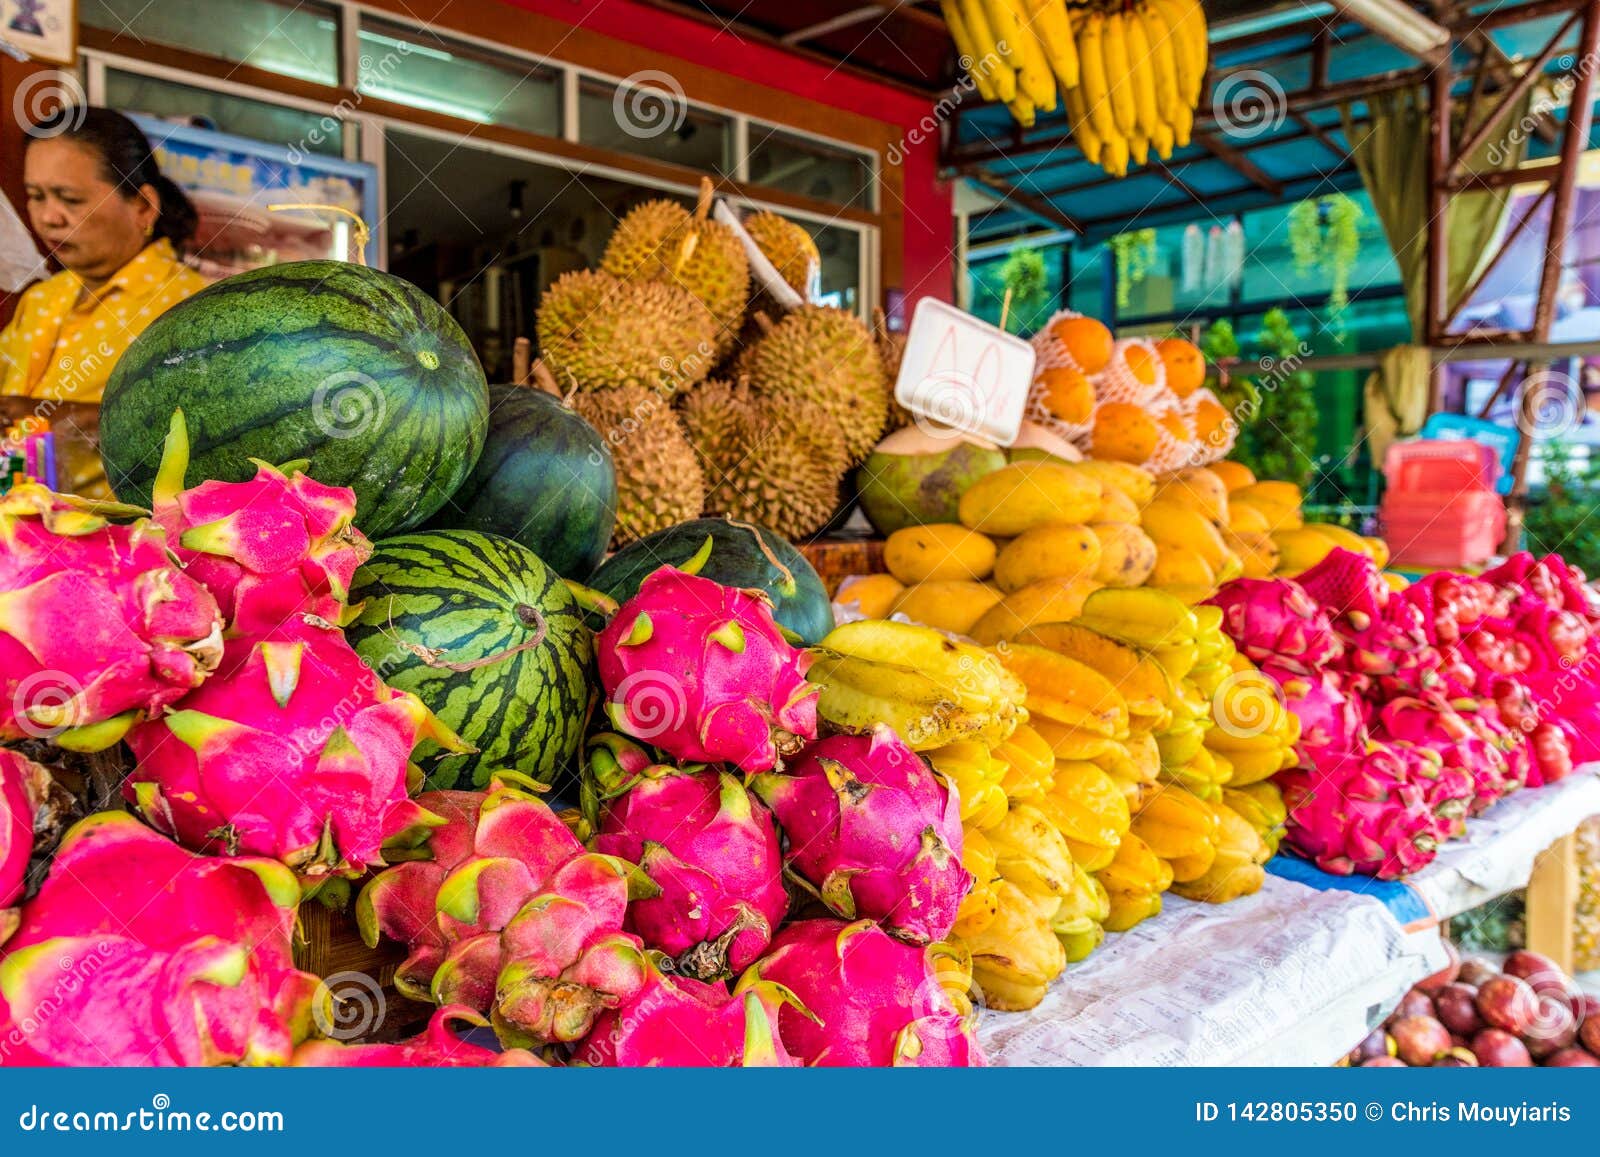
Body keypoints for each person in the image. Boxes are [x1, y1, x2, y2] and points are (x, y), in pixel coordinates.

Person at [0, 107, 207, 492]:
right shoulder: (42, 299)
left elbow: (208, 431)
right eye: (36, 196)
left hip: (120, 529)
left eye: (69, 199)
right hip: (19, 523)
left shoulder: (189, 308)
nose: (48, 217)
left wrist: (79, 418)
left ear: (142, 207)